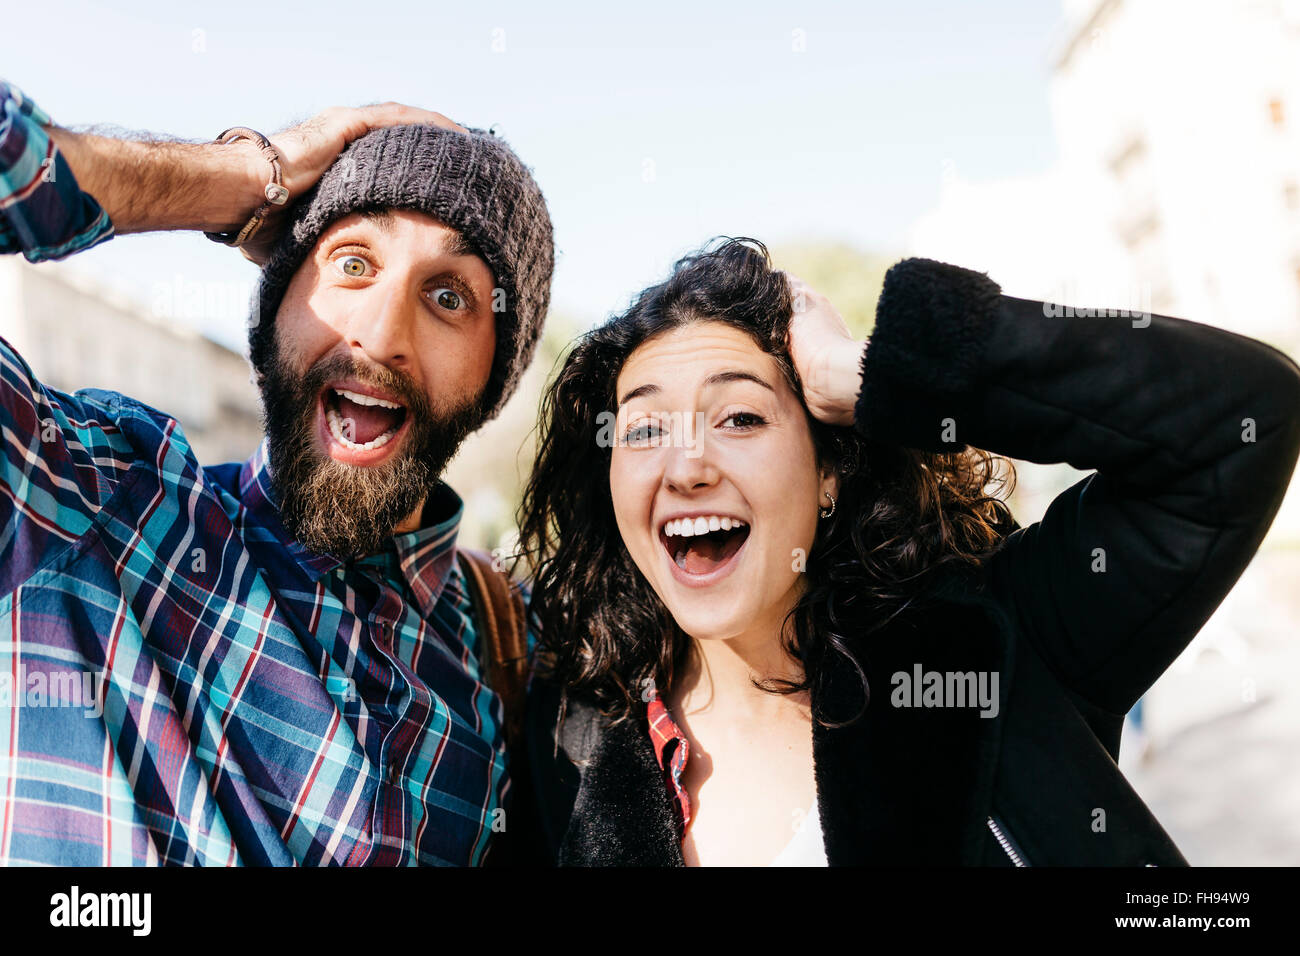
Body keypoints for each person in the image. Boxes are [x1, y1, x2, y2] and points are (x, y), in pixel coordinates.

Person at [514, 237, 1300, 866]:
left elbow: (1244, 420)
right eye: (645, 429)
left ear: (828, 471)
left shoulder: (997, 643)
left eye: (742, 419)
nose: (686, 466)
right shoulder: (567, 734)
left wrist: (873, 372)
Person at [0, 81, 553, 865]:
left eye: (446, 295)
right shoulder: (81, 501)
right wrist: (246, 175)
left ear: (492, 379)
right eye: (351, 261)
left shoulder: (517, 647)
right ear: (277, 301)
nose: (380, 332)